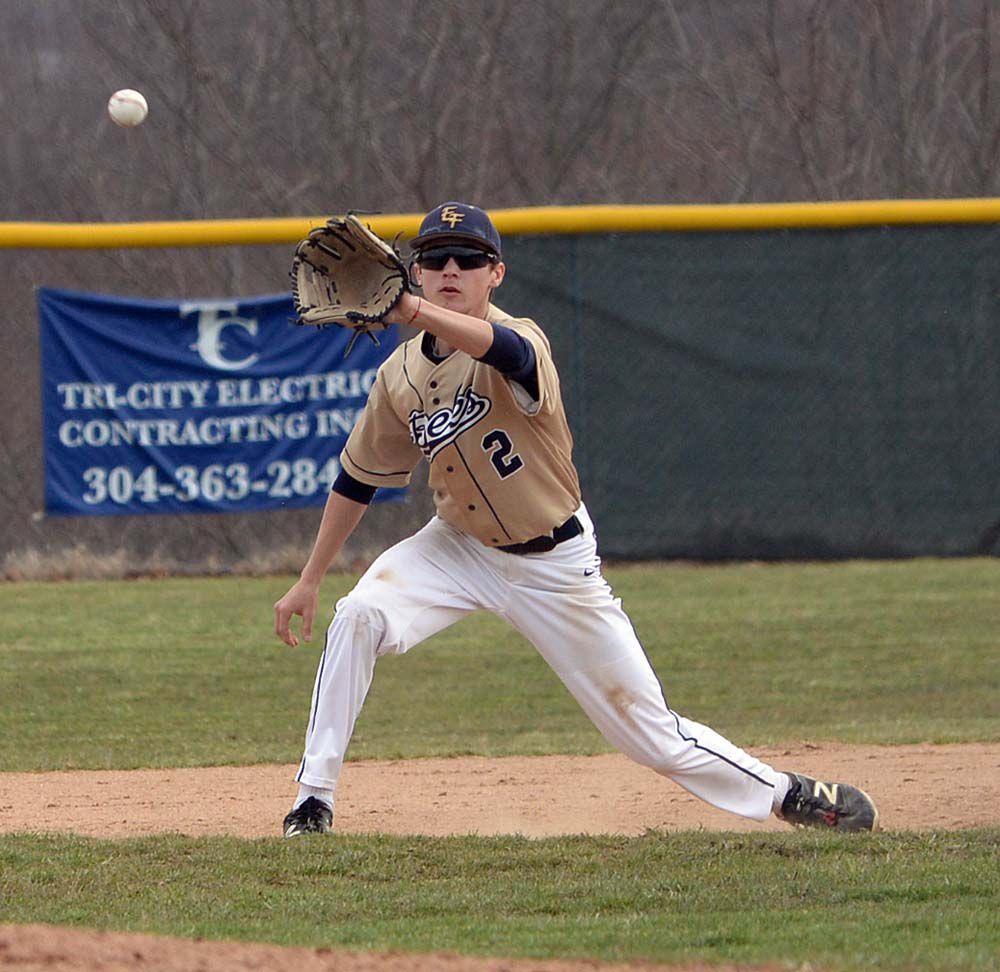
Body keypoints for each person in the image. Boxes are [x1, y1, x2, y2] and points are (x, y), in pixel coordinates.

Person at [274, 201, 879, 837]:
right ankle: (313, 800)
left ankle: (787, 795)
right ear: (415, 270)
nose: (452, 268)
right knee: (359, 614)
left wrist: (415, 312)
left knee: (650, 734)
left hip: (553, 563)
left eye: (469, 260)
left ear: (495, 274)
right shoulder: (399, 374)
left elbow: (502, 351)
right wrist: (311, 577)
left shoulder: (523, 337)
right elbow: (359, 477)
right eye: (435, 259)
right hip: (458, 547)